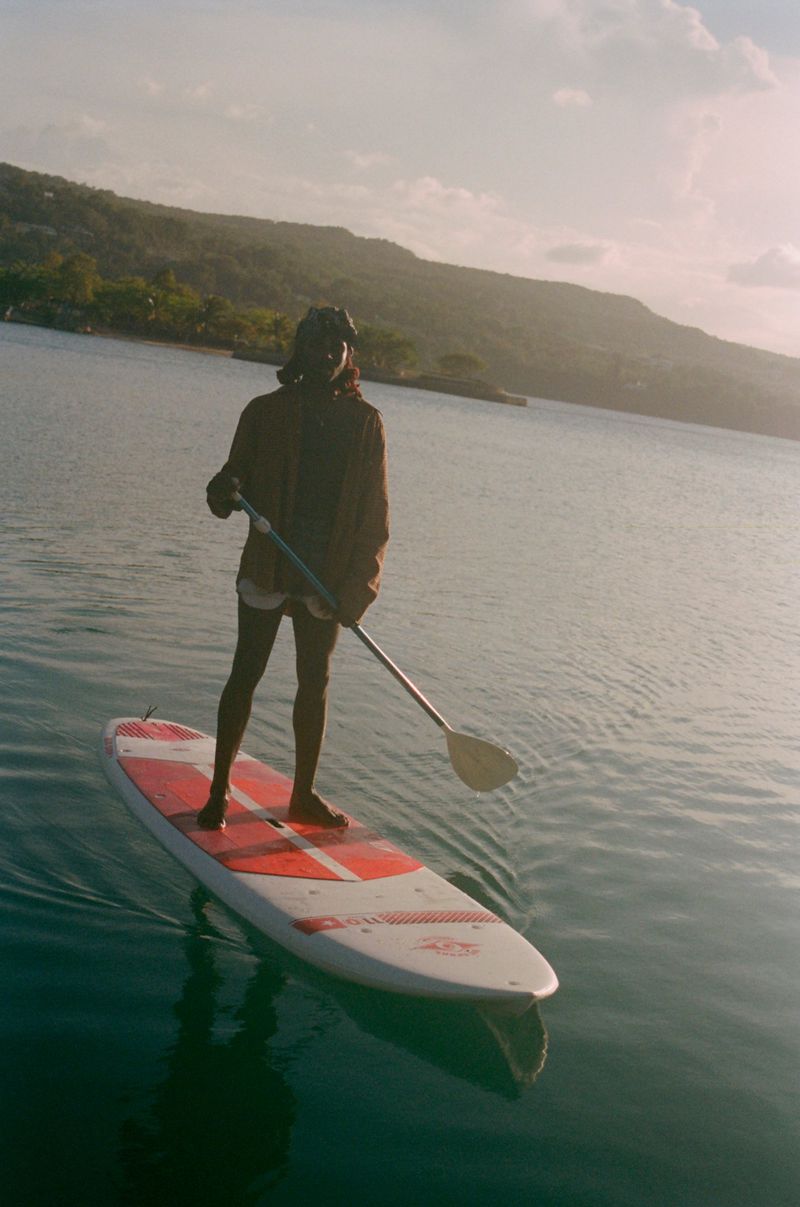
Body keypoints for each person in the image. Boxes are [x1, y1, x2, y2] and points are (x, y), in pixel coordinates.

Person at [197, 307, 389, 831]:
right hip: (268, 556)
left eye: (337, 348)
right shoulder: (263, 411)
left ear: (348, 357)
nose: (327, 355)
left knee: (315, 681)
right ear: (299, 351)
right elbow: (230, 483)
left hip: (327, 571)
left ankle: (302, 795)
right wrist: (222, 491)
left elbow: (375, 515)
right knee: (246, 673)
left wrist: (360, 586)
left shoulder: (366, 423)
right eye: (317, 345)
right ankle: (218, 792)